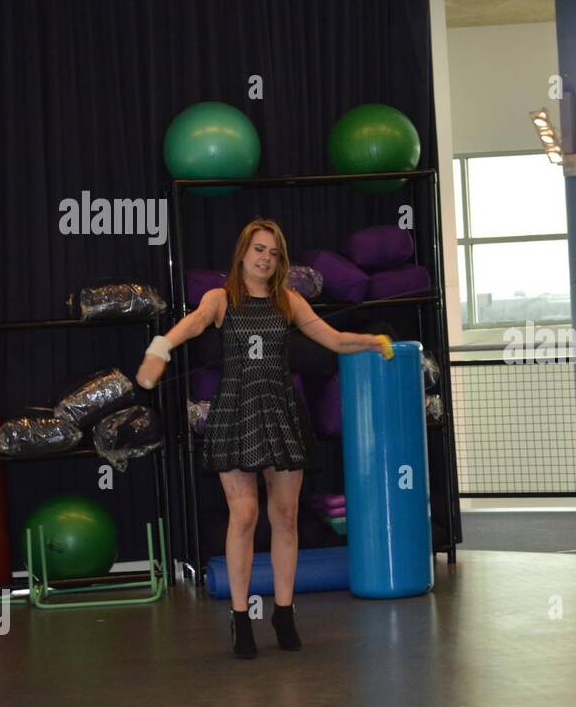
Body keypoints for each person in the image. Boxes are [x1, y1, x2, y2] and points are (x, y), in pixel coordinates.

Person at [136, 218, 392, 659]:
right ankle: (240, 619)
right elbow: (190, 326)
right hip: (236, 410)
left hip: (280, 410)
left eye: (273, 253)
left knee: (286, 515)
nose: (265, 259)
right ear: (242, 253)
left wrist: (370, 341)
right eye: (259, 249)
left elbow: (332, 338)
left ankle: (284, 612)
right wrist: (158, 352)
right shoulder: (220, 299)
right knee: (246, 514)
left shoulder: (288, 302)